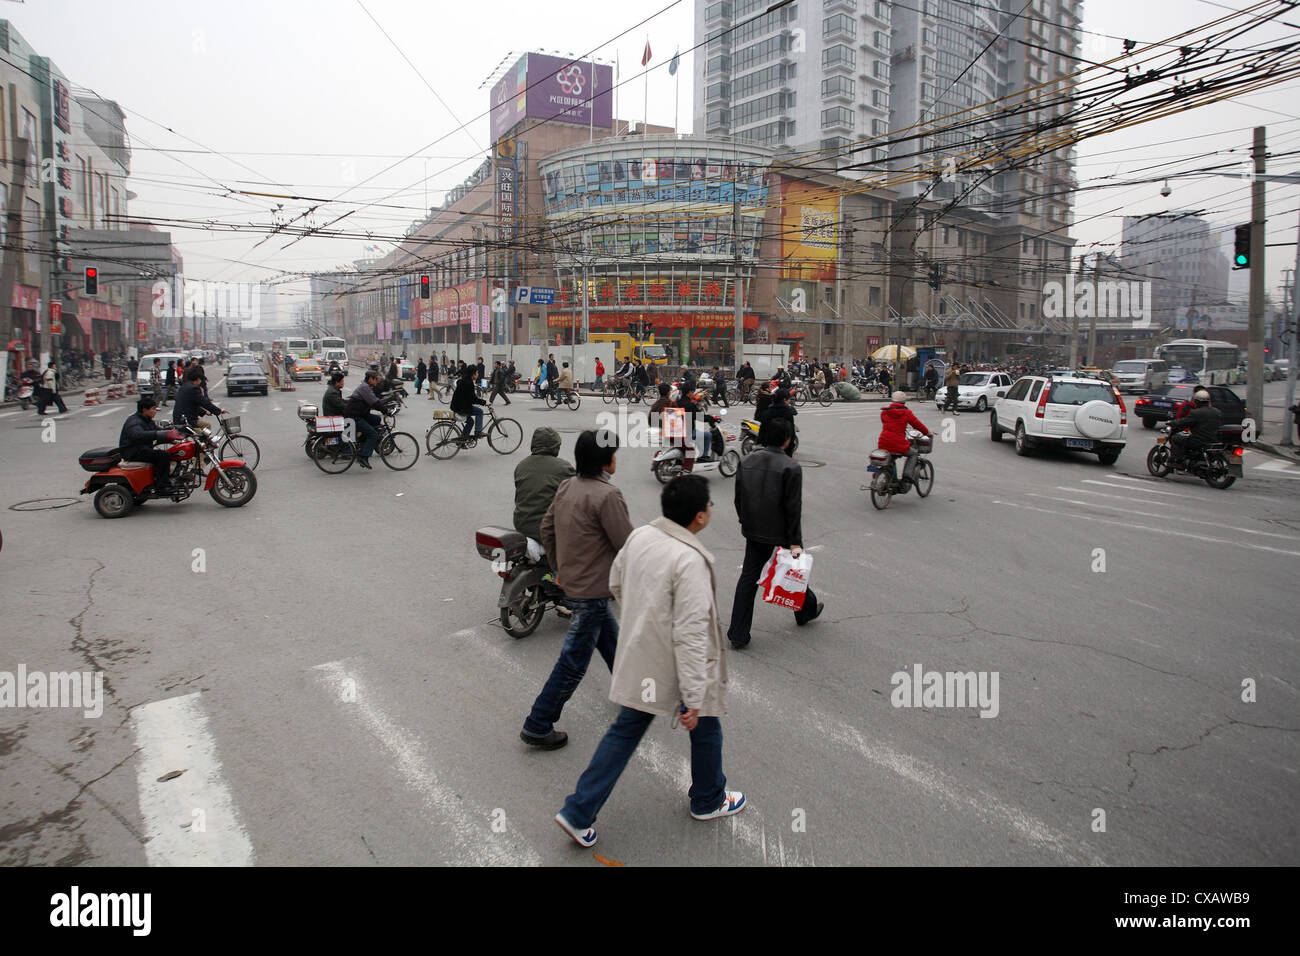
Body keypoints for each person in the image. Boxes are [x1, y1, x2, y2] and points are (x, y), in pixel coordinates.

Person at [554, 475, 744, 849]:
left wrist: (642, 617)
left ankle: (579, 811)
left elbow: (617, 579)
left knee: (626, 730)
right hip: (672, 663)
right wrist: (692, 696)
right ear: (700, 517)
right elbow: (691, 635)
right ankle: (708, 799)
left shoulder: (641, 536)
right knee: (705, 722)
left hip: (642, 654)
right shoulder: (689, 560)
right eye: (709, 505)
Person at [521, 429, 633, 750]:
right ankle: (538, 723)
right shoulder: (608, 496)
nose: (616, 459)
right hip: (593, 593)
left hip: (576, 586)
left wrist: (559, 569)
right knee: (572, 663)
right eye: (614, 453)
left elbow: (546, 527)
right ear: (605, 460)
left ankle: (631, 691)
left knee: (610, 638)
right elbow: (626, 545)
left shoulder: (568, 486)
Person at [728, 417, 821, 649]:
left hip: (754, 530)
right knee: (792, 571)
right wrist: (795, 542)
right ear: (788, 439)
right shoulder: (791, 467)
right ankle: (805, 610)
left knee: (749, 578)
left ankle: (738, 633)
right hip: (779, 532)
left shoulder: (747, 460)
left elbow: (738, 499)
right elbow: (792, 509)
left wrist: (745, 522)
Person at [513, 426, 576, 582]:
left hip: (521, 524)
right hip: (546, 528)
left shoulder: (521, 465)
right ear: (555, 446)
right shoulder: (563, 467)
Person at [119, 397, 183, 493]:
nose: (155, 411)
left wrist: (176, 430)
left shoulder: (147, 420)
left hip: (142, 448)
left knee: (174, 453)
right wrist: (158, 434)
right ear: (144, 410)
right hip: (134, 452)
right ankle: (162, 486)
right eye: (153, 409)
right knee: (163, 456)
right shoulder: (135, 422)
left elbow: (157, 430)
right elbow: (137, 435)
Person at [879, 391, 933, 484]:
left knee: (890, 457)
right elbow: (917, 425)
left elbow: (886, 423)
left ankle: (889, 478)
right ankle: (907, 476)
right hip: (898, 443)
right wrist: (927, 433)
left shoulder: (885, 412)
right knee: (913, 454)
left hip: (883, 441)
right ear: (904, 402)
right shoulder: (906, 412)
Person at [343, 369, 385, 469]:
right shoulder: (364, 388)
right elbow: (374, 402)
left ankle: (363, 441)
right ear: (370, 379)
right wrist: (386, 411)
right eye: (375, 379)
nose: (377, 381)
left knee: (376, 419)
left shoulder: (367, 387)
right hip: (354, 416)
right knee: (373, 434)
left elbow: (374, 401)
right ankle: (364, 457)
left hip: (360, 414)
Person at [1168, 389, 1222, 463]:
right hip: (1213, 440)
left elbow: (1184, 422)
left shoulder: (1195, 412)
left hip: (1198, 441)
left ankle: (1177, 461)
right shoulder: (1217, 411)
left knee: (1175, 438)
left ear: (1196, 401)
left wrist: (1173, 423)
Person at [450, 364, 487, 441]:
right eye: (477, 373)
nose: (478, 374)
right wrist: (485, 402)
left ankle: (462, 440)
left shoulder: (463, 380)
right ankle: (478, 432)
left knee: (470, 422)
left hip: (456, 406)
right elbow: (473, 399)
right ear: (473, 374)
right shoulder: (469, 383)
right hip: (461, 408)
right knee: (480, 412)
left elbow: (458, 383)